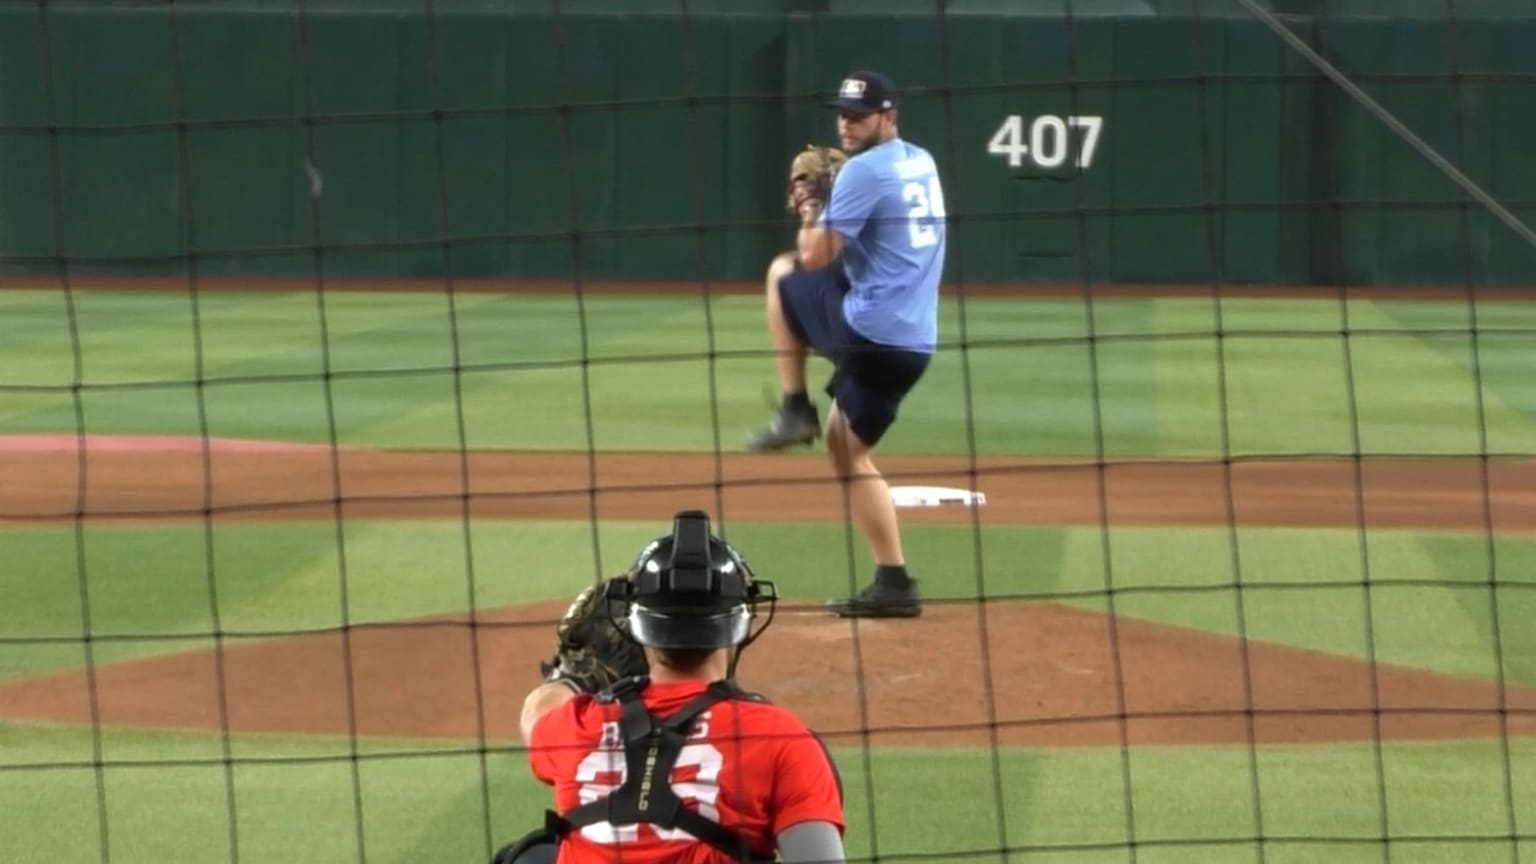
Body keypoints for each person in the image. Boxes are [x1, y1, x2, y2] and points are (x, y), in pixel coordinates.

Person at [494, 510, 846, 864]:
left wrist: (572, 674)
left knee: (529, 856)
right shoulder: (781, 739)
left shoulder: (576, 725)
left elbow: (538, 712)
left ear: (636, 626)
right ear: (740, 624)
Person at [745, 69, 946, 620]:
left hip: (868, 335)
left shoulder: (863, 174)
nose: (848, 123)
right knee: (846, 448)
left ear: (889, 114)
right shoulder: (920, 160)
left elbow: (814, 256)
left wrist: (813, 205)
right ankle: (895, 582)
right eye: (843, 113)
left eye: (859, 114)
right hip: (913, 344)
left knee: (782, 272)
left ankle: (793, 408)